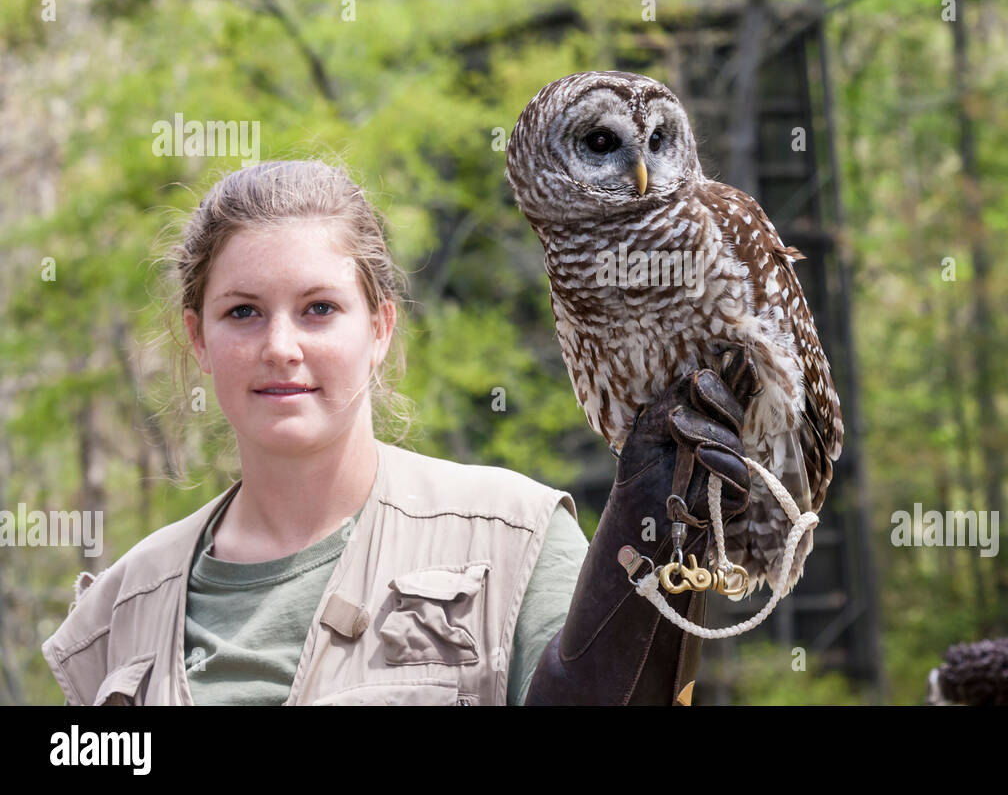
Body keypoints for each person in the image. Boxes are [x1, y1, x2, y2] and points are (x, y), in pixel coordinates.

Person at [41, 158, 756, 706]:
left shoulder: (514, 539)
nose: (281, 346)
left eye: (319, 309)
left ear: (379, 329)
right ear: (198, 340)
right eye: (243, 313)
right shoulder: (122, 606)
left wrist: (651, 554)